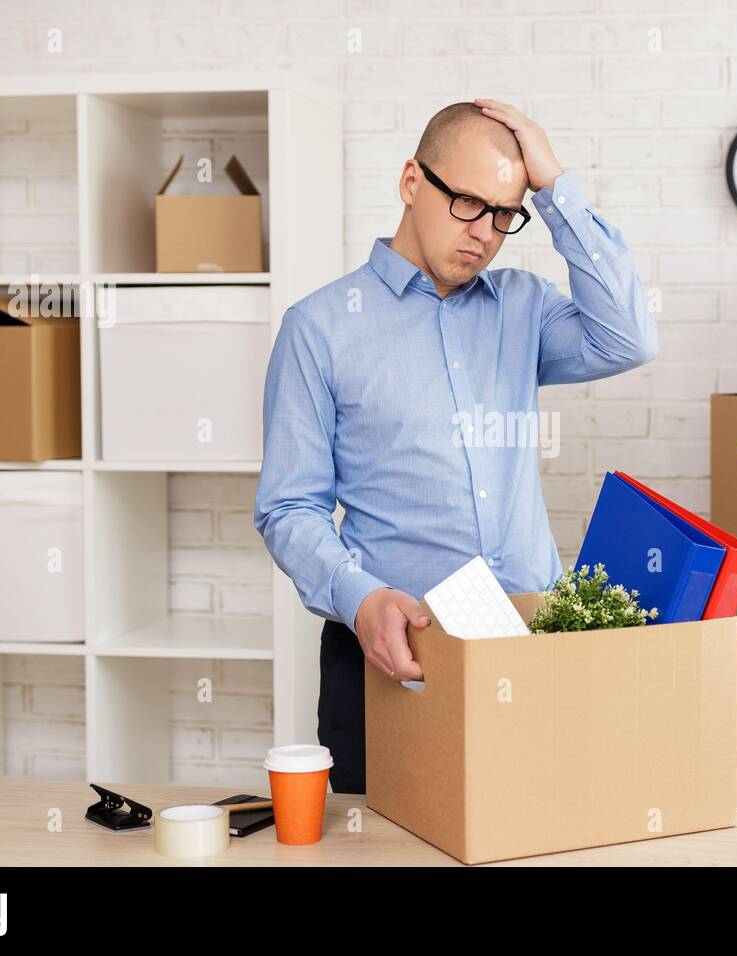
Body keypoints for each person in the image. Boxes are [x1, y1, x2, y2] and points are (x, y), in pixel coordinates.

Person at [253, 98, 658, 794]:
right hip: (393, 655)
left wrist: (555, 185)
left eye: (506, 214)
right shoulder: (319, 328)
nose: (485, 233)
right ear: (412, 182)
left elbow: (628, 336)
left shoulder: (523, 308)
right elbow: (289, 506)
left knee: (536, 831)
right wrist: (359, 598)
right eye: (468, 203)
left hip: (526, 648)